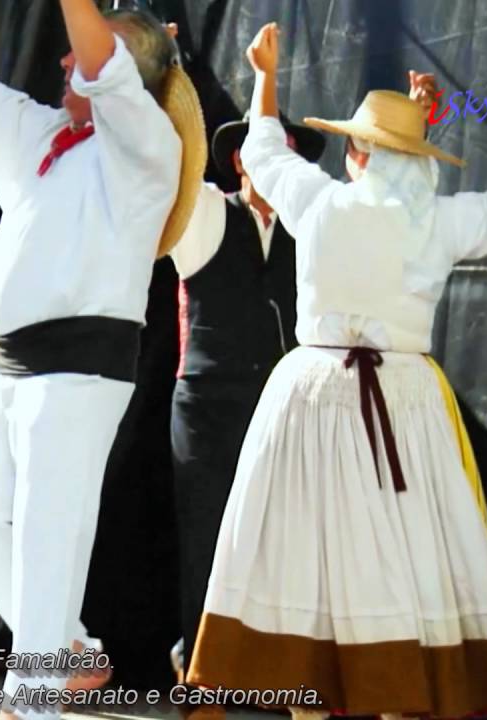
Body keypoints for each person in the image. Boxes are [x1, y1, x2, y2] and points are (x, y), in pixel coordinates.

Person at [186, 23, 487, 720]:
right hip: (398, 398)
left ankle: (309, 698)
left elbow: (261, 151)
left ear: (353, 152)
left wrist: (265, 73)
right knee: (397, 550)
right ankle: (394, 693)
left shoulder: (319, 202)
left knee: (304, 542)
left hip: (313, 393)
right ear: (414, 158)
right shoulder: (436, 223)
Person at [0, 0, 205, 714]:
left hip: (80, 364)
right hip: (10, 363)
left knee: (48, 533)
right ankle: (63, 645)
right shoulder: (46, 135)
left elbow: (100, 64)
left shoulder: (146, 146)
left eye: (87, 51)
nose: (65, 59)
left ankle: (32, 699)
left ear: (127, 72)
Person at [166, 109, 324, 684]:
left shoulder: (306, 229)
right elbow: (171, 168)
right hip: (208, 403)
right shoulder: (208, 210)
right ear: (241, 160)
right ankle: (201, 668)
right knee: (206, 533)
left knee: (280, 535)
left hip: (279, 405)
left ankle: (269, 668)